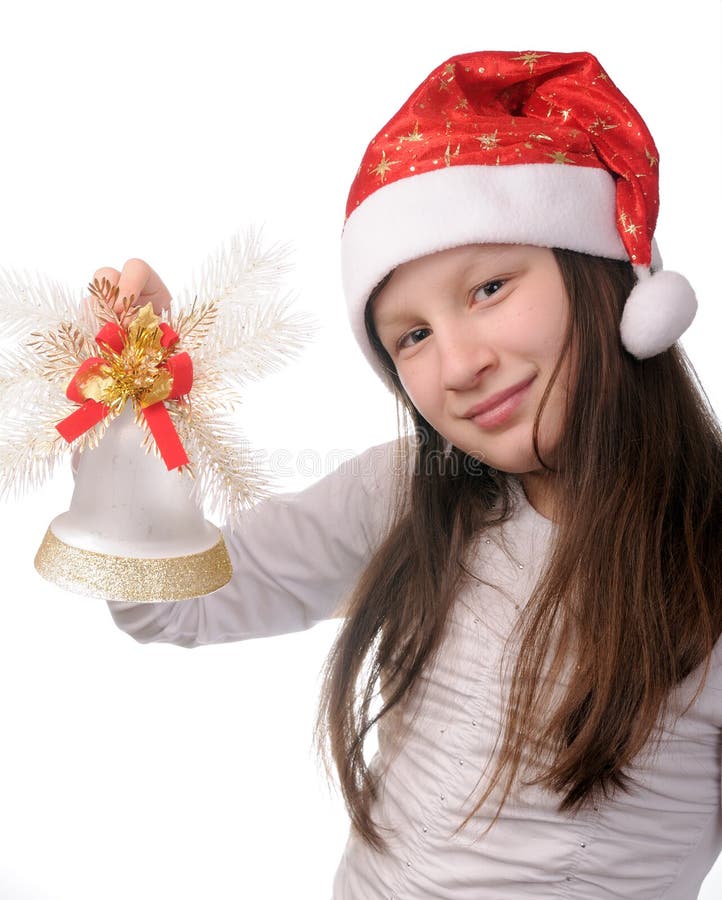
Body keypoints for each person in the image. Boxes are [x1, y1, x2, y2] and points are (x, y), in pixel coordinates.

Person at [91, 51, 722, 898]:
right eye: (412, 337)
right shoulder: (406, 494)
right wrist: (135, 405)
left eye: (490, 287)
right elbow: (169, 602)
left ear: (610, 281)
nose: (459, 365)